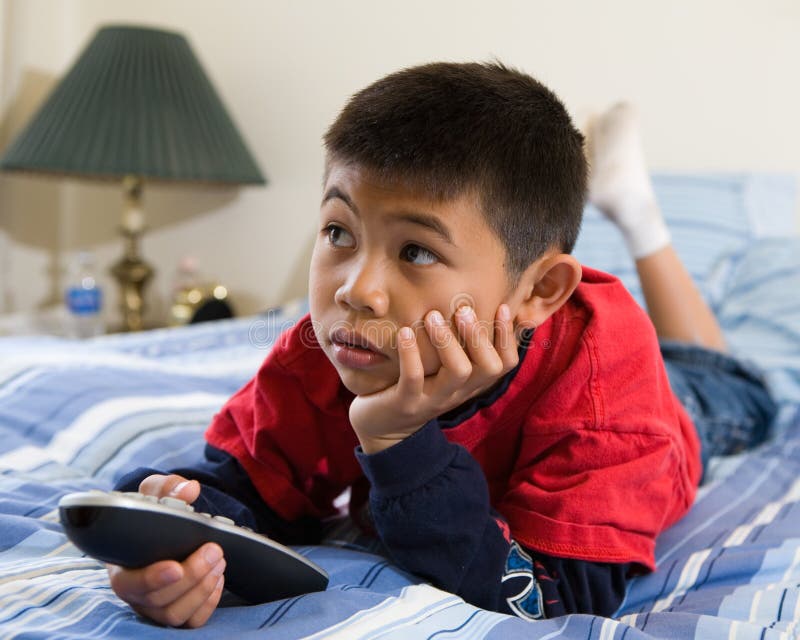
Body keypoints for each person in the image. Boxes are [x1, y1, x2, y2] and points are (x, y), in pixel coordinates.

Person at [106, 63, 776, 627]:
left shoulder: (607, 402)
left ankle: (637, 215)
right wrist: (174, 536)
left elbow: (551, 598)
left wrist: (398, 446)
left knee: (721, 376)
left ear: (539, 290)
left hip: (675, 405)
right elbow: (247, 483)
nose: (357, 290)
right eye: (339, 231)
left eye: (417, 250)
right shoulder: (336, 339)